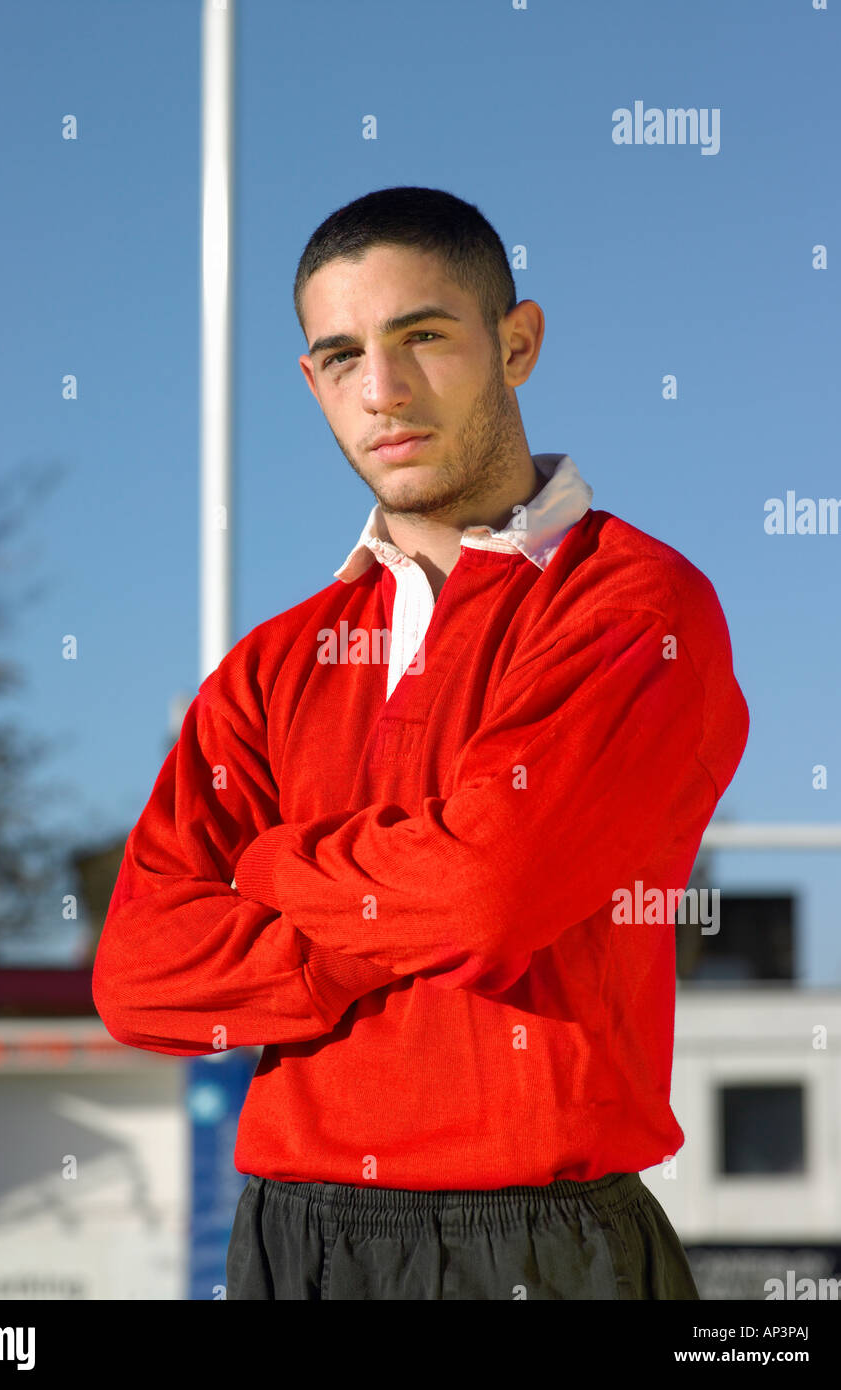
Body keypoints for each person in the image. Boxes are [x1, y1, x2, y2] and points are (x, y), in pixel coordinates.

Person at [92, 185, 750, 1301]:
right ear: (314, 384)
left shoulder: (636, 607)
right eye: (342, 357)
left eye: (424, 338)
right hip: (291, 1238)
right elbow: (142, 978)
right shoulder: (270, 667)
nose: (383, 392)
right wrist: (401, 903)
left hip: (541, 1241)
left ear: (518, 342)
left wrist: (268, 871)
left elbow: (496, 887)